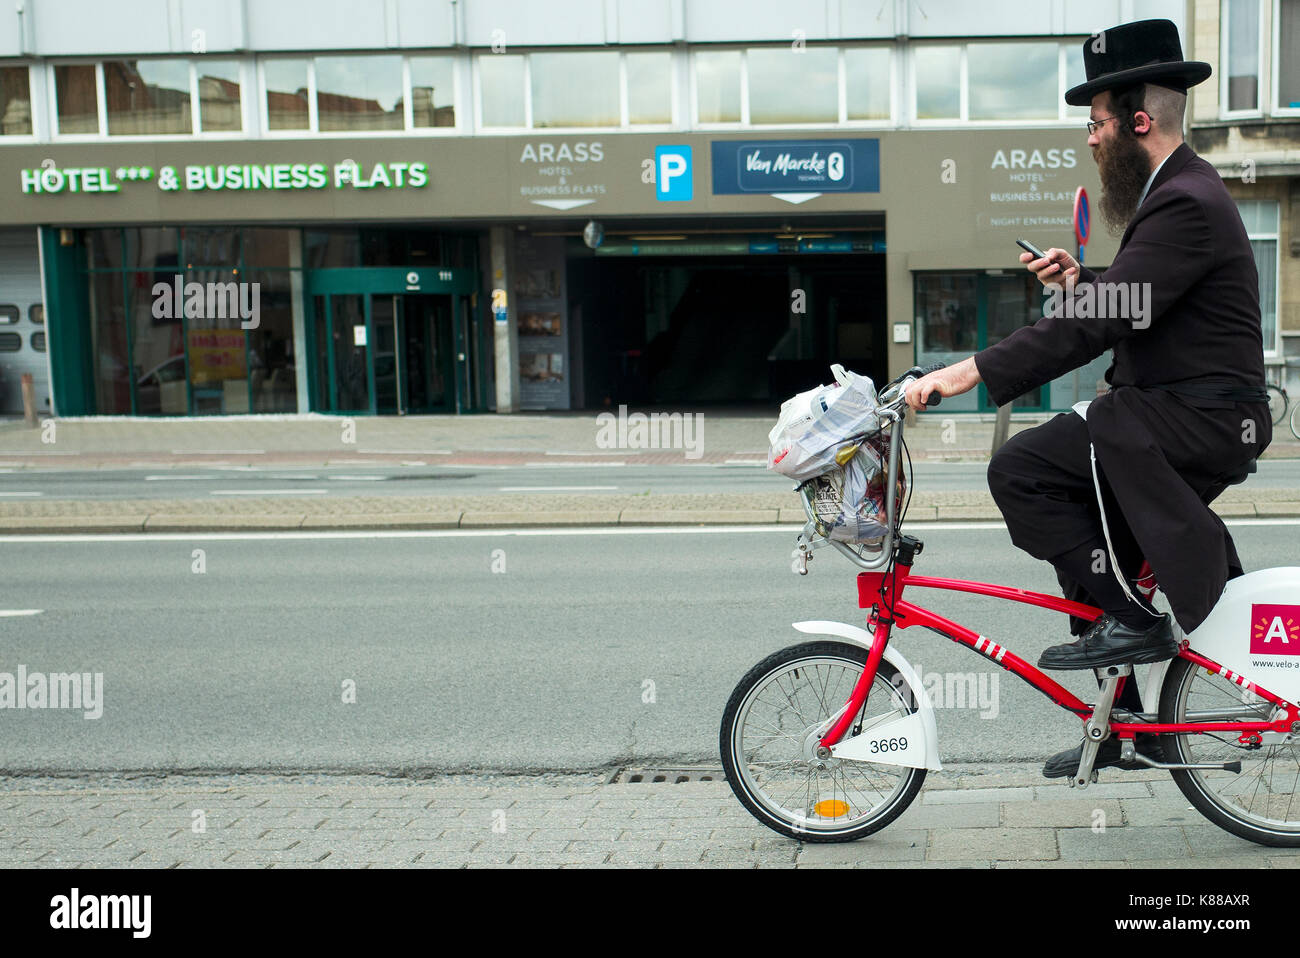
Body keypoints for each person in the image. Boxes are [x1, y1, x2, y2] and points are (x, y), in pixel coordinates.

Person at [903, 18, 1272, 778]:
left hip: (1196, 420)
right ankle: (1132, 726)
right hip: (1182, 415)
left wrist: (961, 372)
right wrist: (1084, 281)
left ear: (1139, 120)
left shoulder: (1186, 201)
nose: (1093, 140)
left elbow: (1100, 327)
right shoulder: (1178, 195)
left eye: (1097, 122)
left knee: (1023, 472)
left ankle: (1132, 622)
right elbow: (1138, 301)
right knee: (1094, 539)